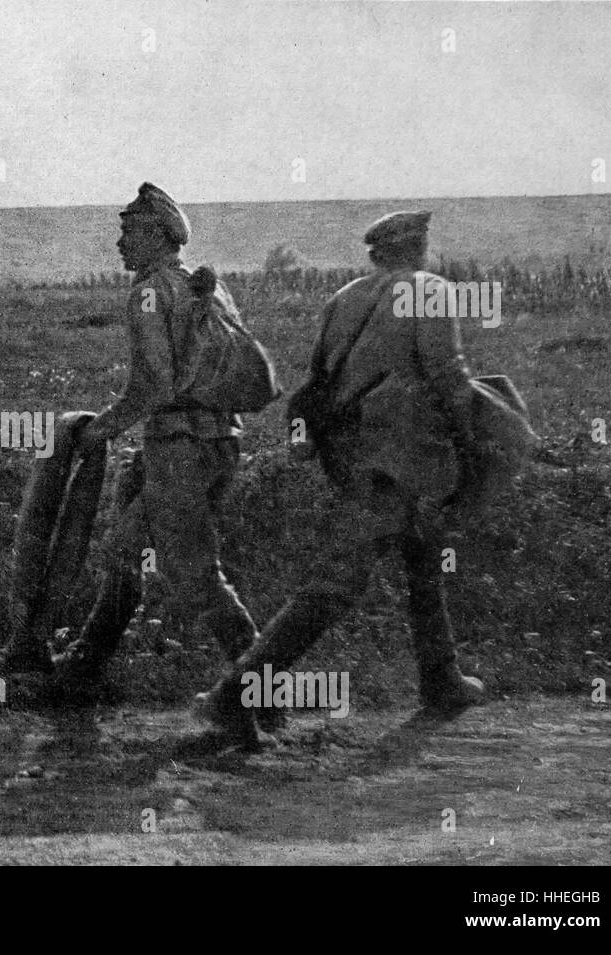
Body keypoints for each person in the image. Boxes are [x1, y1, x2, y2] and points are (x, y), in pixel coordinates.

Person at [194, 210, 486, 750]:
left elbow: (318, 381)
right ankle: (235, 693)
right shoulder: (430, 290)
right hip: (397, 458)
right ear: (419, 249)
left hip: (350, 455)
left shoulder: (343, 298)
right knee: (339, 582)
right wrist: (478, 437)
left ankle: (441, 678)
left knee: (423, 555)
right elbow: (449, 375)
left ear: (377, 253)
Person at [43, 182, 260, 691]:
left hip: (183, 448)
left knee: (195, 572)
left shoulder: (149, 292)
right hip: (208, 442)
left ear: (160, 235)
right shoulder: (205, 285)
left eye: (129, 232)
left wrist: (100, 431)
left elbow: (153, 385)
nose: (120, 243)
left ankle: (261, 689)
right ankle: (83, 671)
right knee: (123, 551)